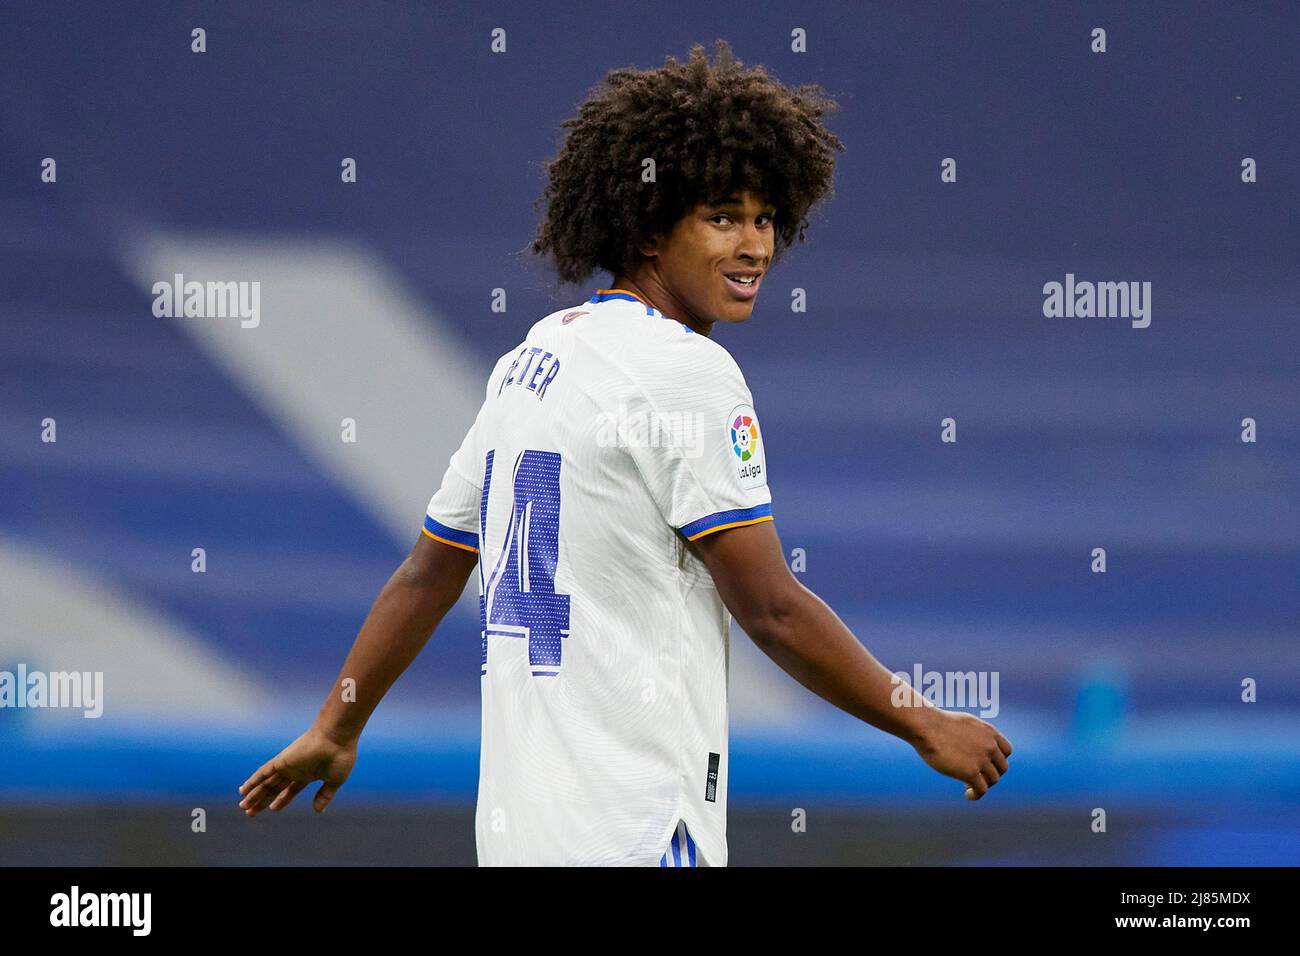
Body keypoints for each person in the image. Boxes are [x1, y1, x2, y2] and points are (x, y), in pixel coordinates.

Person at [238, 39, 1012, 867]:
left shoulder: (531, 359)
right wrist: (923, 721)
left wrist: (336, 725)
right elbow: (772, 610)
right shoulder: (688, 372)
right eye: (721, 217)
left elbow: (430, 571)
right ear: (648, 229)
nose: (754, 245)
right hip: (638, 833)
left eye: (765, 218)